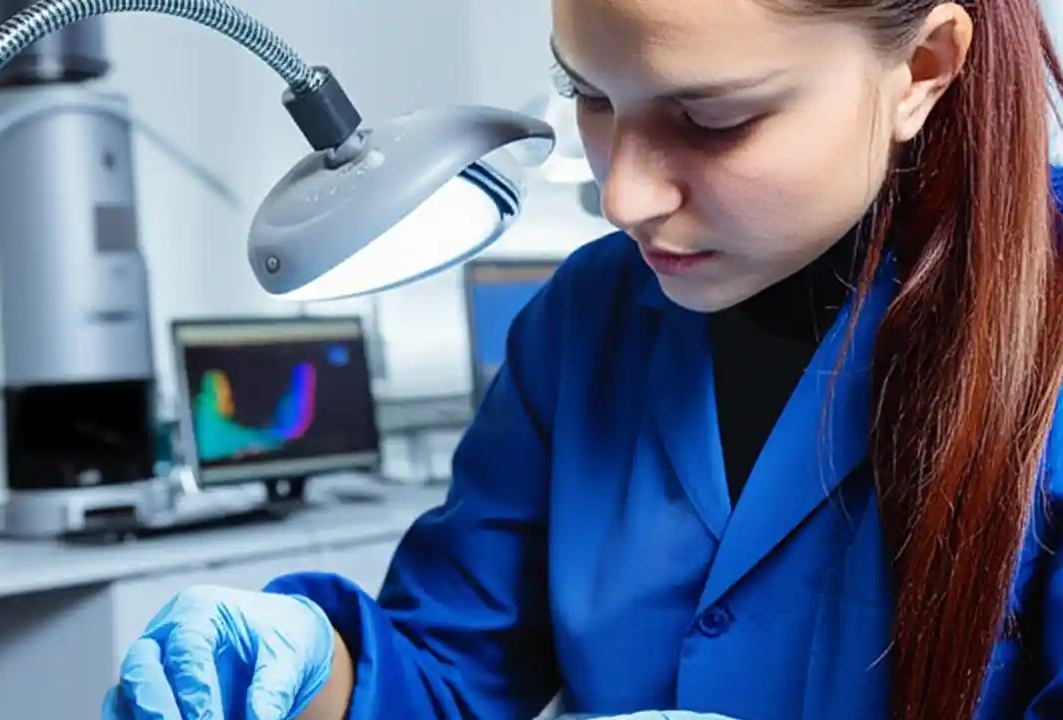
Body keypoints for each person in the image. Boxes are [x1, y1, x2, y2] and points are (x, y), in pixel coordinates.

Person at [103, 1, 1063, 718]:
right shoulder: (588, 317)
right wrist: (306, 665)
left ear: (923, 68)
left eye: (712, 119)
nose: (625, 197)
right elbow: (450, 677)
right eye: (590, 96)